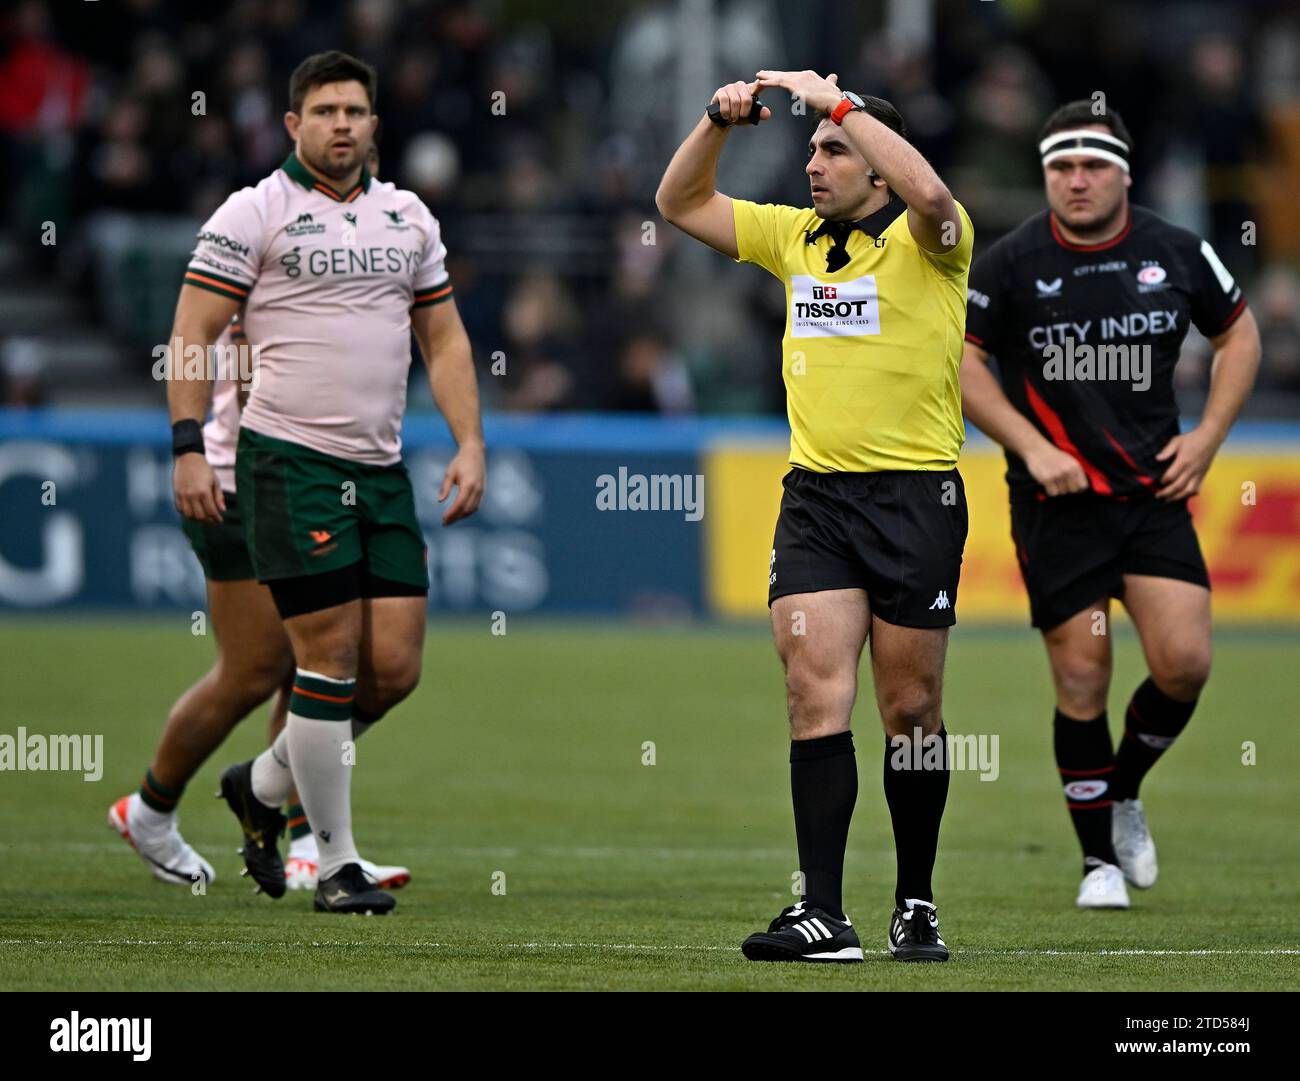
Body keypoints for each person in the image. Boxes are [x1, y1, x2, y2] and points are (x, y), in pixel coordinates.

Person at [657, 70, 974, 962]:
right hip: (818, 499)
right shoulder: (793, 237)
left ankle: (915, 899)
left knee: (910, 709)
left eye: (833, 150)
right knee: (811, 691)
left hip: (916, 495)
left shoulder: (934, 241)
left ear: (876, 164)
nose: (814, 163)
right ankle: (823, 914)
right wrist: (715, 121)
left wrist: (839, 104)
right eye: (811, 150)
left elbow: (934, 194)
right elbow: (679, 201)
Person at [169, 51, 484, 915]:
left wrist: (469, 441)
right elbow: (193, 329)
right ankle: (336, 860)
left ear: (375, 124)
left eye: (354, 110)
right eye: (324, 110)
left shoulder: (408, 216)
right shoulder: (253, 212)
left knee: (394, 668)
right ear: (292, 125)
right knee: (330, 657)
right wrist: (188, 444)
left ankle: (261, 784)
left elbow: (446, 340)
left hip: (379, 467)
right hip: (286, 461)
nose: (341, 123)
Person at [960, 101, 1260, 908]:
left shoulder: (1175, 248)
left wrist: (1207, 439)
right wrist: (1031, 446)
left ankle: (1123, 790)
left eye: (1092, 165)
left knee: (1185, 663)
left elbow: (1239, 335)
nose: (1076, 180)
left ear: (1124, 172)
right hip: (1058, 503)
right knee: (1083, 673)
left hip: (1153, 493)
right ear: (1046, 174)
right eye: (1061, 166)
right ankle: (1098, 861)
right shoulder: (1011, 261)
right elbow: (964, 363)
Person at [109, 148, 408, 896]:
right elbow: (208, 344)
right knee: (259, 668)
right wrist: (192, 449)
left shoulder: (368, 240)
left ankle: (305, 833)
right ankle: (154, 809)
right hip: (247, 478)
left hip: (307, 478)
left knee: (318, 656)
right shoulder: (263, 242)